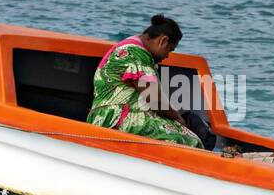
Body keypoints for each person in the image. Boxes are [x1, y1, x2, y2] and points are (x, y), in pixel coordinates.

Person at [86, 15, 202, 148]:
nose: (167, 56)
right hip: (116, 117)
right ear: (163, 41)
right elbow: (153, 98)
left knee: (187, 133)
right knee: (188, 141)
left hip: (118, 113)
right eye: (169, 50)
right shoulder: (136, 53)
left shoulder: (131, 46)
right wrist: (177, 118)